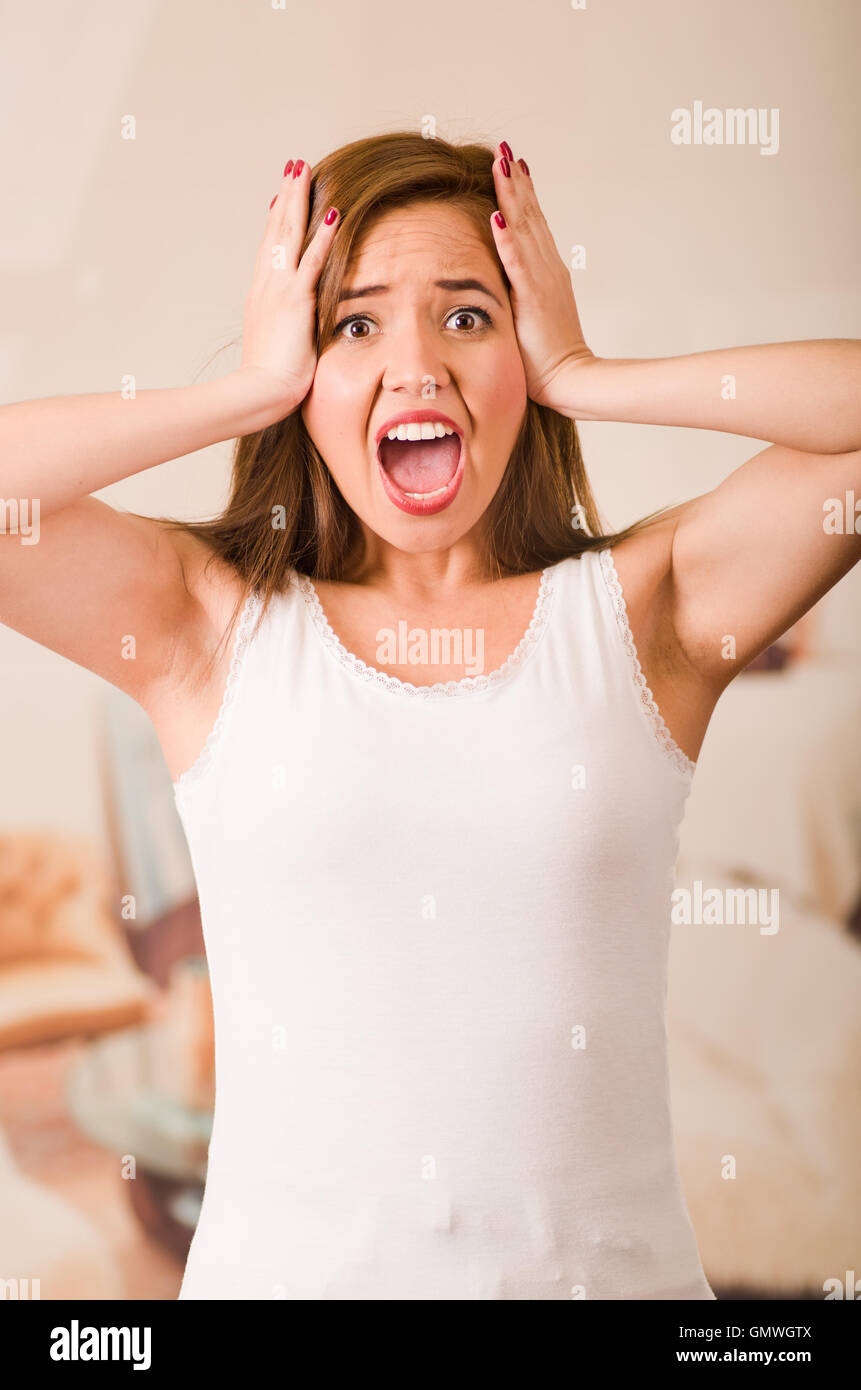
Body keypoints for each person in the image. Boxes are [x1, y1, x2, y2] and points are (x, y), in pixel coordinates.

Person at [1, 130, 858, 1300]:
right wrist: (242, 391)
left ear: (523, 355)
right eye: (353, 323)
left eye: (466, 316)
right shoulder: (209, 628)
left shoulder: (645, 616)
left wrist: (594, 374)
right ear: (306, 368)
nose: (416, 366)